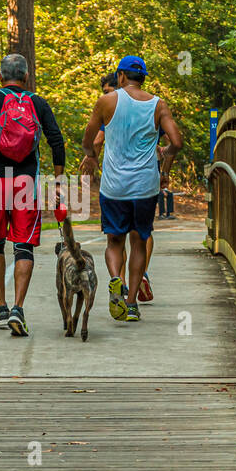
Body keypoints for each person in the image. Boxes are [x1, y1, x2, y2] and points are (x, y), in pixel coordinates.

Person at [0, 53, 66, 337]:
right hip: (25, 181)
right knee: (24, 245)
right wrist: (58, 182)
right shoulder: (37, 102)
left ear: (0, 76)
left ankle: (1, 304)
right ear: (26, 76)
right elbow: (56, 140)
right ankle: (19, 307)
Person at [80, 55, 182, 322]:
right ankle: (132, 303)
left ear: (121, 76)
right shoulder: (158, 105)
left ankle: (116, 279)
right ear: (143, 78)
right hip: (145, 186)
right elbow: (177, 142)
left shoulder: (106, 102)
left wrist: (91, 156)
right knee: (139, 241)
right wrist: (164, 159)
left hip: (114, 186)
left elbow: (88, 139)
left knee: (114, 241)